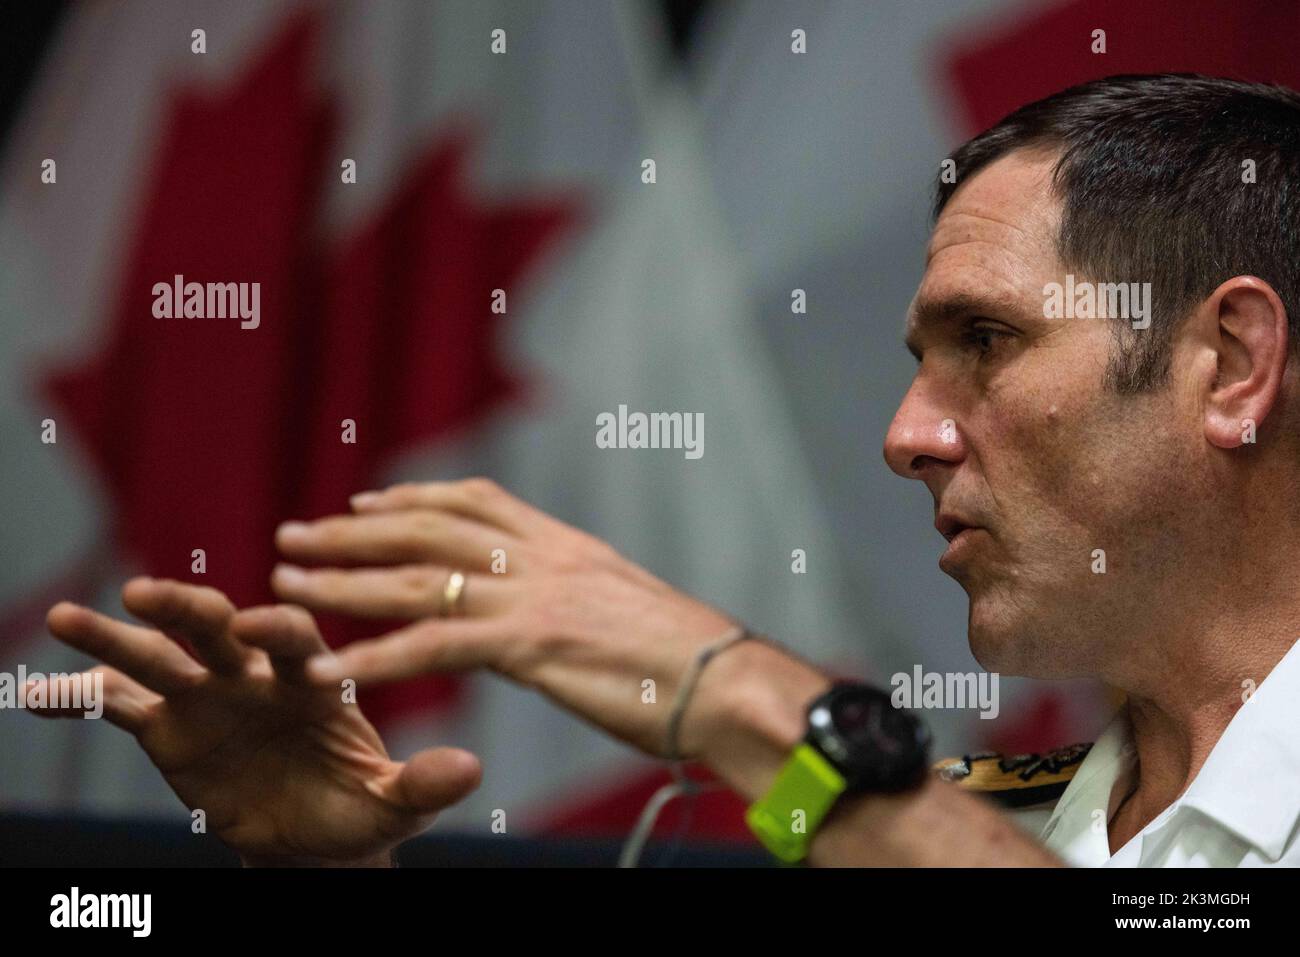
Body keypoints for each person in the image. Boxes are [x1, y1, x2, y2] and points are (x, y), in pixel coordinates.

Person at [27, 73, 1300, 867]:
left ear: (1230, 364)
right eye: (923, 358)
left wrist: (729, 686)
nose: (907, 435)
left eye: (988, 340)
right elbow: (826, 824)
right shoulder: (981, 805)